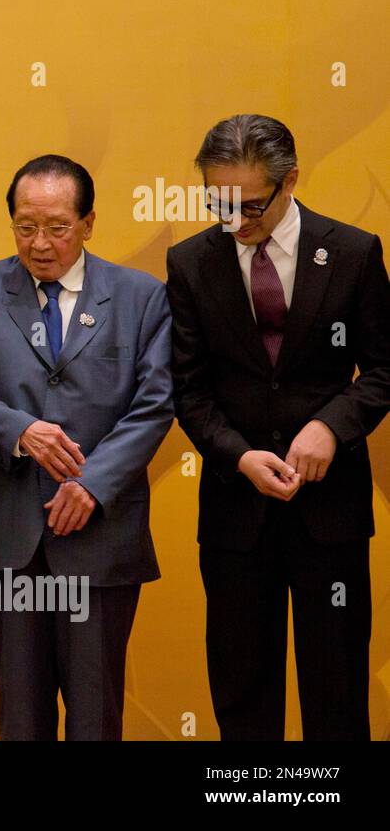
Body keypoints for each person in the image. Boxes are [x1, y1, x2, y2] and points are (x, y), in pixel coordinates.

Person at [166, 114, 390, 740]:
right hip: (237, 511)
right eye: (218, 203)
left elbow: (382, 368)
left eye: (250, 205)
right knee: (241, 688)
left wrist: (332, 426)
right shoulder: (190, 263)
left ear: (292, 181)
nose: (234, 221)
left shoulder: (351, 251)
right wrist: (238, 456)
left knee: (337, 686)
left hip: (331, 510)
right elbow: (190, 389)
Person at [0, 154, 172, 740]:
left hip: (100, 532)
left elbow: (154, 405)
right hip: (13, 531)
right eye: (25, 226)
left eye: (57, 227)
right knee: (20, 717)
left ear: (89, 222)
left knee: (95, 716)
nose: (39, 243)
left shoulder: (140, 297)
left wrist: (92, 483)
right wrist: (20, 431)